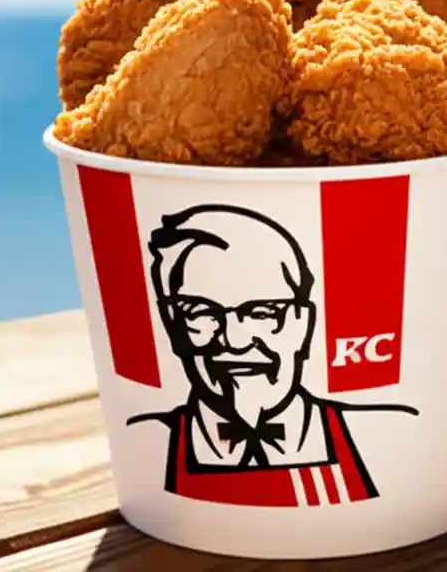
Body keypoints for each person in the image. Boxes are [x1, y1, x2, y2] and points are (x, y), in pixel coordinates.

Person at [129, 204, 414, 507]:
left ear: (303, 323)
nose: (235, 341)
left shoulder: (386, 432)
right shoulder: (145, 443)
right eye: (200, 312)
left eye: (262, 312)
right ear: (171, 324)